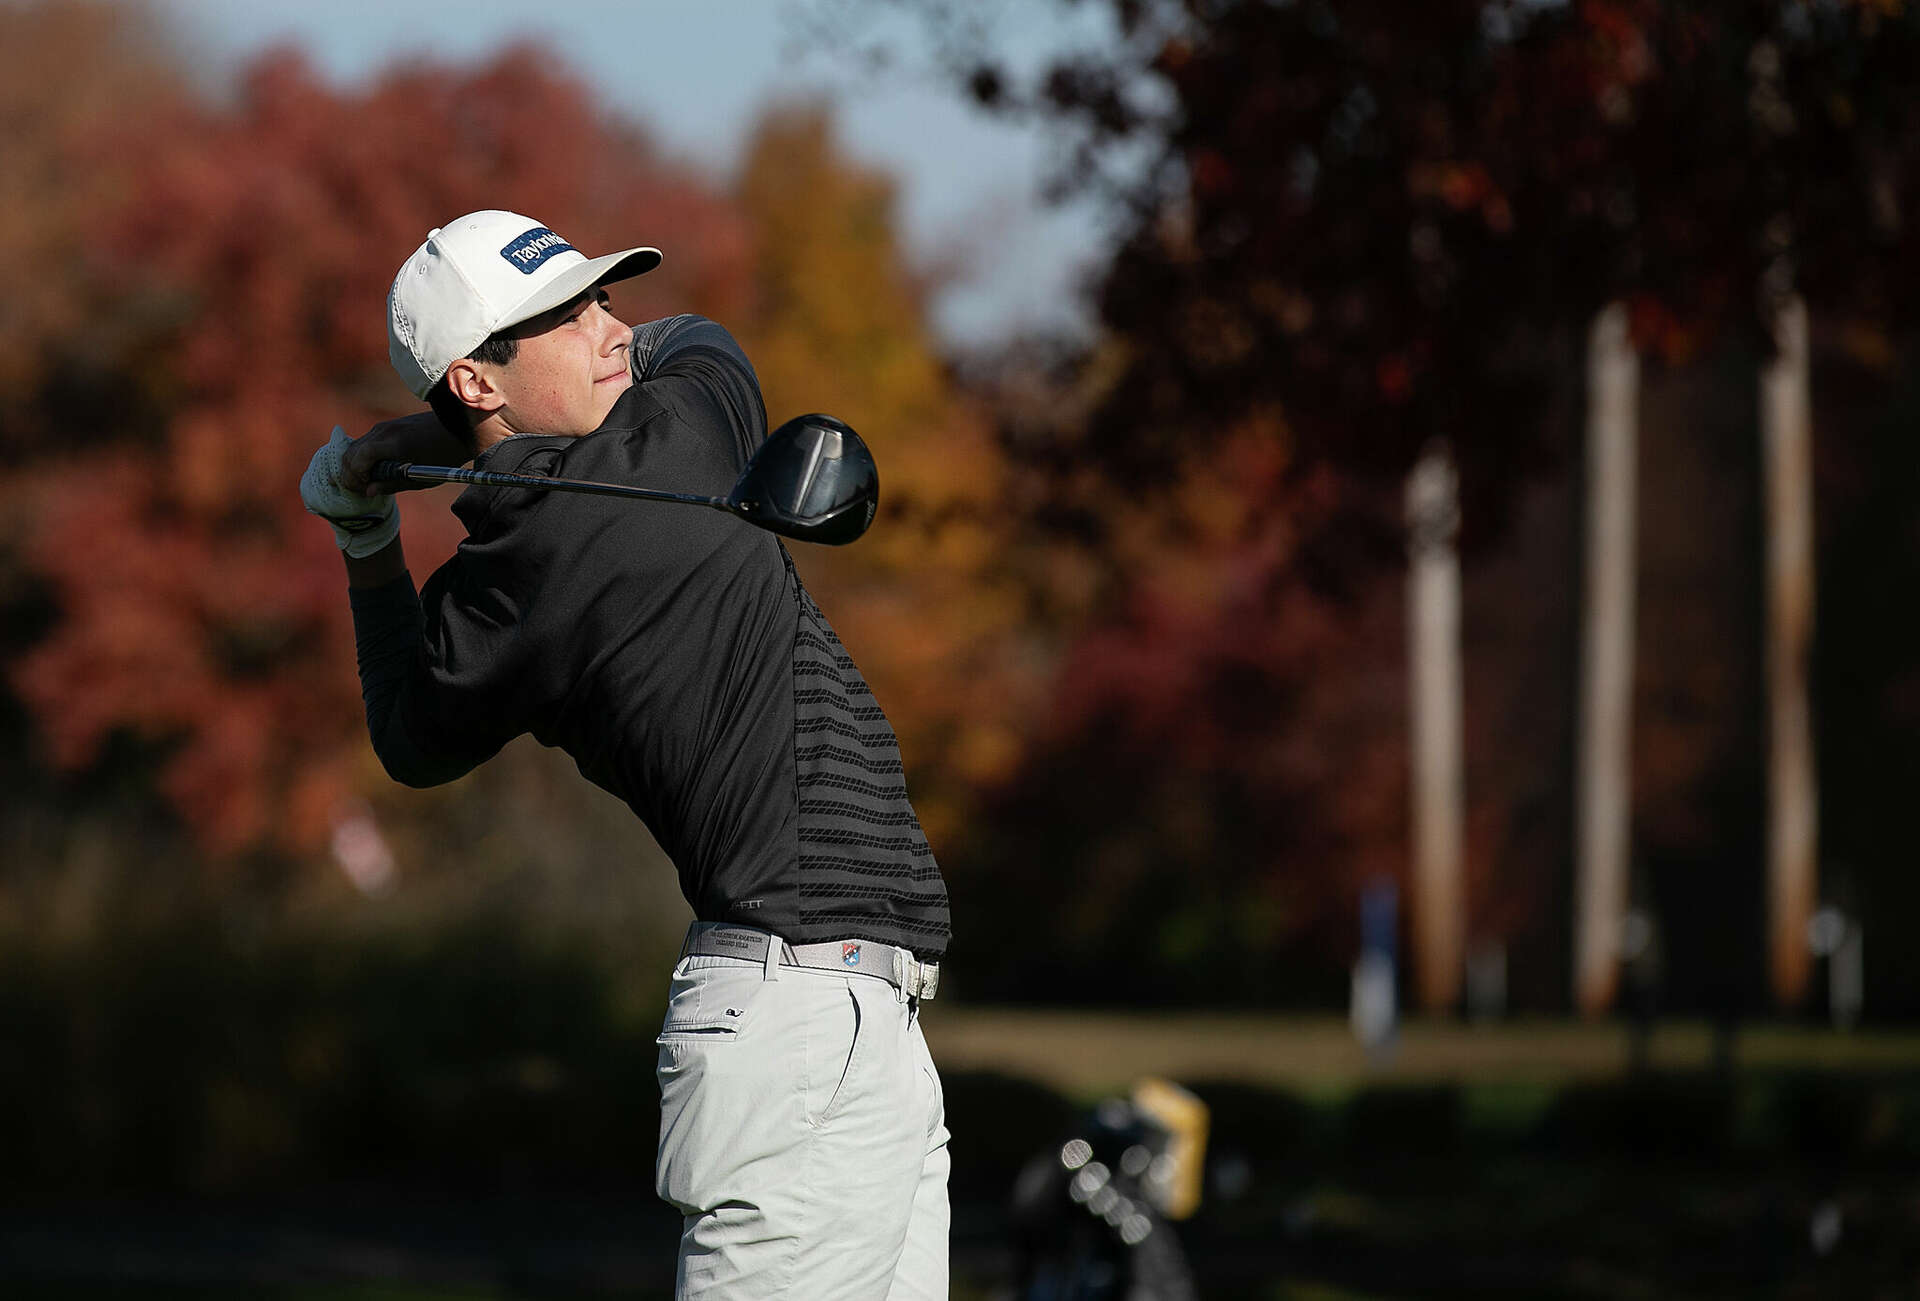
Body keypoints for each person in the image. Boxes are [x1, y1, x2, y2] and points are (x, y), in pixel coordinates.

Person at [298, 210, 952, 1299]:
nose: (613, 327)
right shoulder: (683, 433)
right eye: (565, 316)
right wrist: (395, 450)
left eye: (601, 297)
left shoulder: (495, 588)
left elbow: (408, 735)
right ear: (475, 377)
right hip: (799, 1035)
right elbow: (698, 337)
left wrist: (366, 512)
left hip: (846, 1035)